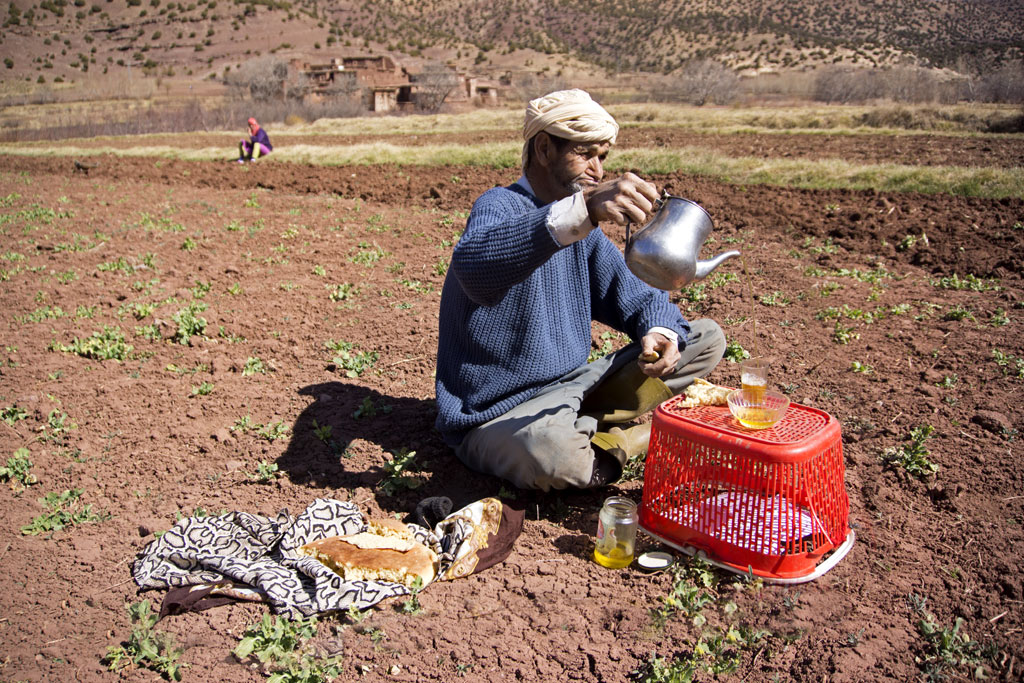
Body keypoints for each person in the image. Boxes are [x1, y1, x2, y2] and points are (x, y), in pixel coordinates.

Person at [434, 89, 727, 492]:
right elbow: (475, 268)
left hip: (572, 387)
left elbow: (639, 296)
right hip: (498, 413)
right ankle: (627, 440)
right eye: (585, 153)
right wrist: (583, 208)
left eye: (602, 157)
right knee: (555, 456)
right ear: (543, 149)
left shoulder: (582, 233)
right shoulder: (500, 206)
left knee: (706, 339)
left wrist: (658, 330)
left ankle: (580, 425)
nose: (597, 170)